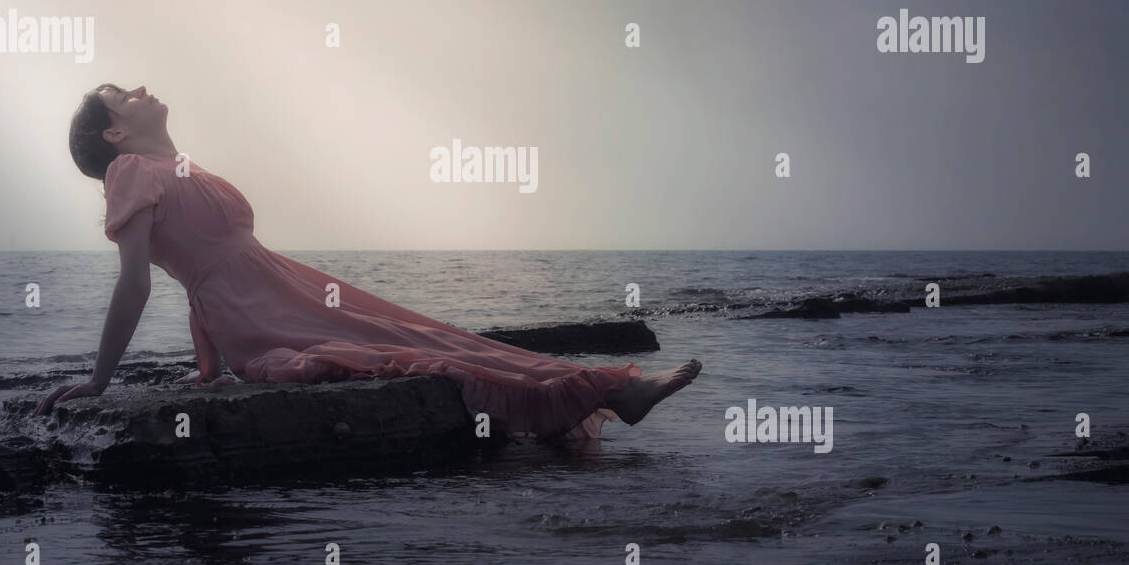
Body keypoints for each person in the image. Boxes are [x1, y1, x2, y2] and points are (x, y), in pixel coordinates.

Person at [34, 84, 701, 439]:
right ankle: (614, 390)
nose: (141, 88)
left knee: (429, 336)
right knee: (413, 352)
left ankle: (594, 392)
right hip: (257, 314)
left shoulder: (174, 164)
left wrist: (204, 361)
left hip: (282, 287)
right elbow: (137, 281)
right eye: (123, 94)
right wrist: (99, 382)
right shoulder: (128, 169)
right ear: (115, 133)